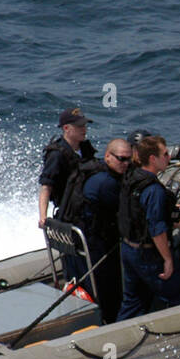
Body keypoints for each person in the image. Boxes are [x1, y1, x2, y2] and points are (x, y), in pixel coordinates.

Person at [117, 135, 180, 320]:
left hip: (128, 249)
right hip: (148, 255)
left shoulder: (132, 177)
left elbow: (143, 216)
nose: (169, 158)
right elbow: (156, 229)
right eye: (165, 154)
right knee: (179, 294)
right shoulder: (154, 190)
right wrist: (167, 260)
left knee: (133, 302)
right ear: (152, 159)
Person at [38, 107, 97, 283]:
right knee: (77, 261)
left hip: (88, 210)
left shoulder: (85, 148)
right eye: (79, 126)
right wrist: (43, 217)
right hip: (69, 212)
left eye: (85, 125)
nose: (84, 129)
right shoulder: (57, 155)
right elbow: (46, 188)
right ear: (66, 128)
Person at [80, 138, 132, 323]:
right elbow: (126, 214)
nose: (125, 164)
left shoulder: (96, 174)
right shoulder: (108, 183)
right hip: (100, 243)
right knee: (111, 290)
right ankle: (112, 321)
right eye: (121, 159)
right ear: (107, 156)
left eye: (129, 160)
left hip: (88, 237)